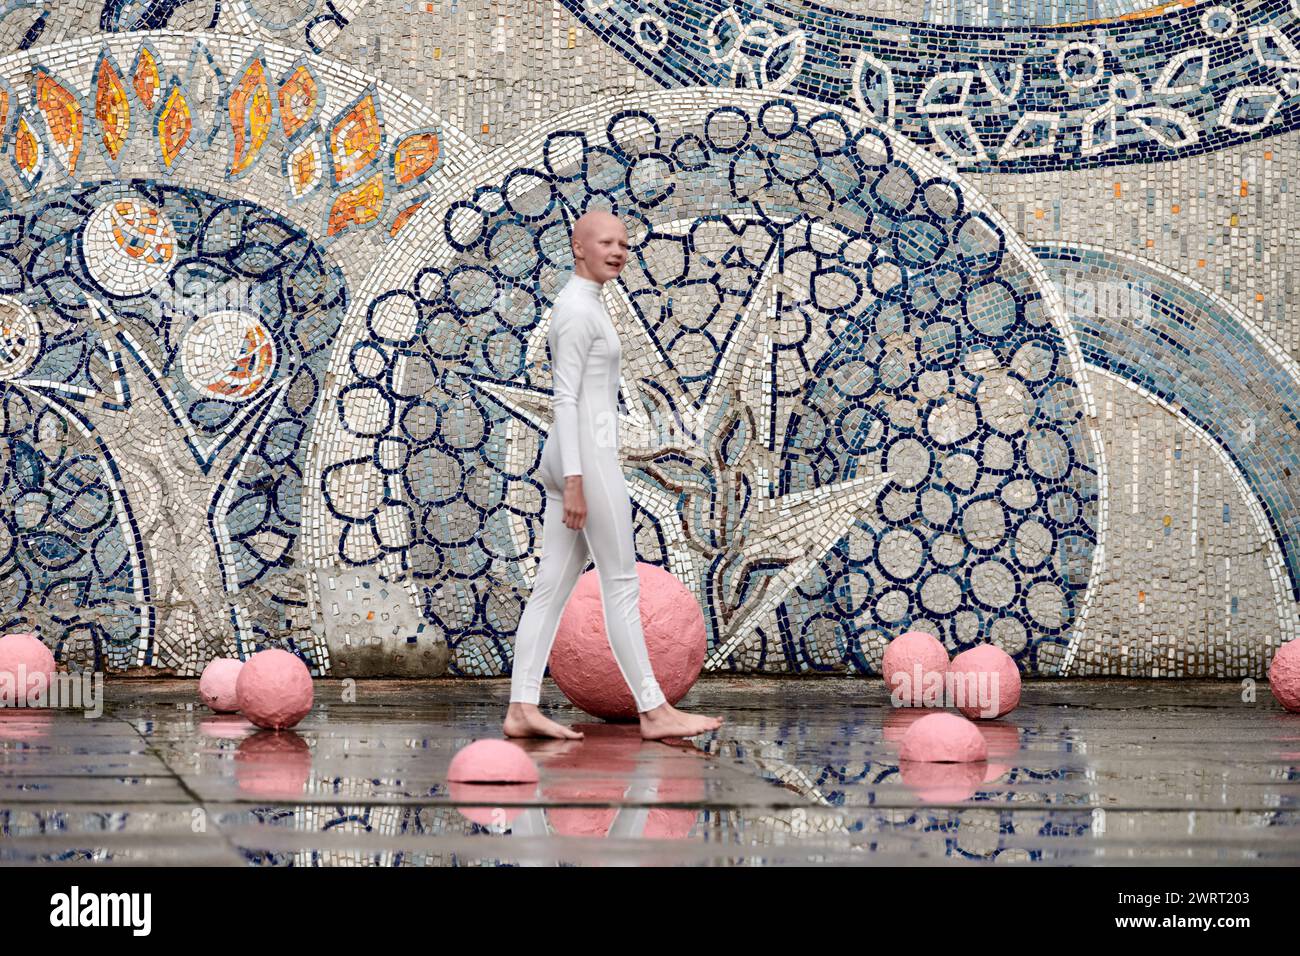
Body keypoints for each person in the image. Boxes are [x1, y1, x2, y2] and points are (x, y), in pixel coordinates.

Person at [503, 210, 724, 741]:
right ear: (578, 246)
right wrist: (577, 479)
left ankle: (520, 708)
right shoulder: (576, 311)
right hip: (586, 458)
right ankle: (654, 710)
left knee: (550, 590)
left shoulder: (586, 304)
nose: (619, 251)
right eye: (607, 242)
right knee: (621, 584)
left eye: (625, 243)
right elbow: (565, 397)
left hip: (574, 456)